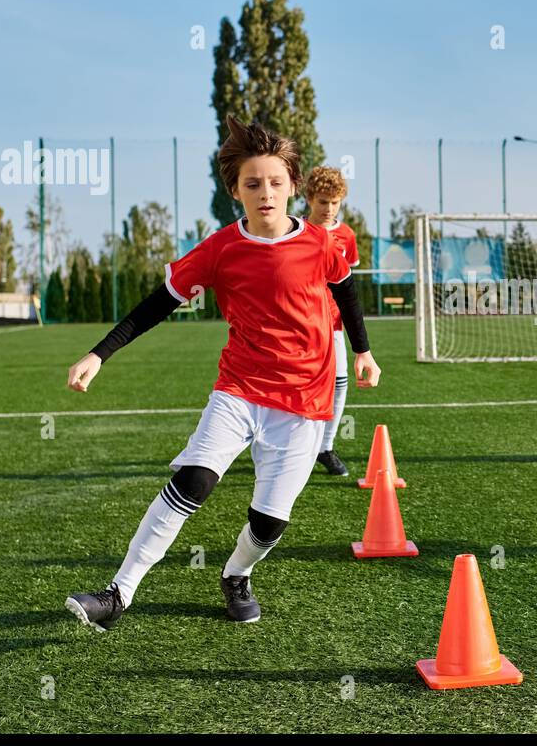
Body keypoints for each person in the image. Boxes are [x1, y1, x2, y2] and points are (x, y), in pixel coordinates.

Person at [63, 116, 380, 631]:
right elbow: (156, 305)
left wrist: (362, 352)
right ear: (235, 190)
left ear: (292, 186)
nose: (266, 193)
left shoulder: (321, 244)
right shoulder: (221, 248)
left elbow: (345, 290)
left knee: (269, 521)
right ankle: (118, 593)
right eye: (252, 183)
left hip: (304, 402)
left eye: (276, 182)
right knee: (193, 481)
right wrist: (100, 353)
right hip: (239, 389)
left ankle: (236, 575)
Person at [302, 166, 360, 477]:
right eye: (323, 201)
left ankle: (325, 447)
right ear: (309, 198)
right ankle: (281, 445)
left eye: (335, 202)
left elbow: (347, 285)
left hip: (333, 324)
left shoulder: (346, 236)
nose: (329, 209)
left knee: (339, 384)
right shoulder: (294, 231)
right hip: (299, 324)